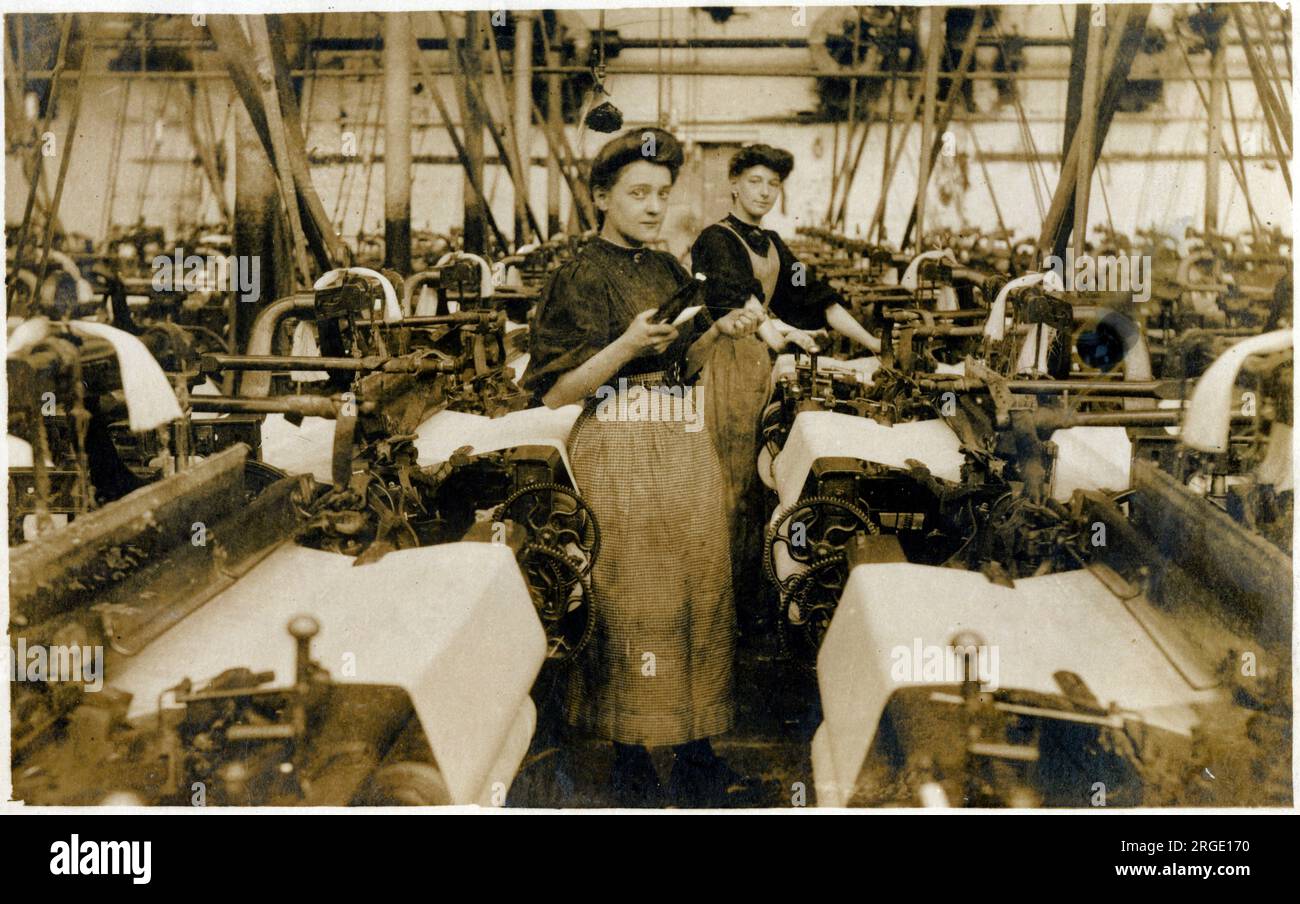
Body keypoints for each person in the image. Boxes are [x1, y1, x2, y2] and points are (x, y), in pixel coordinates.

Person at [522, 128, 766, 807]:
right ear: (602, 196)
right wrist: (627, 344)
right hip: (618, 444)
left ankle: (695, 750)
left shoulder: (667, 271)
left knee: (702, 589)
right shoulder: (579, 274)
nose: (654, 208)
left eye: (662, 195)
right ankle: (629, 754)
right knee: (632, 603)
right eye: (637, 194)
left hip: (683, 438)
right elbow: (557, 392)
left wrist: (718, 332)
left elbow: (684, 367)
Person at [689, 144, 881, 635]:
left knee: (758, 485)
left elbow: (816, 295)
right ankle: (718, 610)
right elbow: (739, 299)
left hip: (759, 367)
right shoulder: (716, 239)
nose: (764, 192)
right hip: (726, 367)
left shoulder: (773, 242)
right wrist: (782, 333)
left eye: (773, 184)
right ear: (733, 183)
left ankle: (750, 602)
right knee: (729, 483)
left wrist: (875, 344)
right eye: (755, 181)